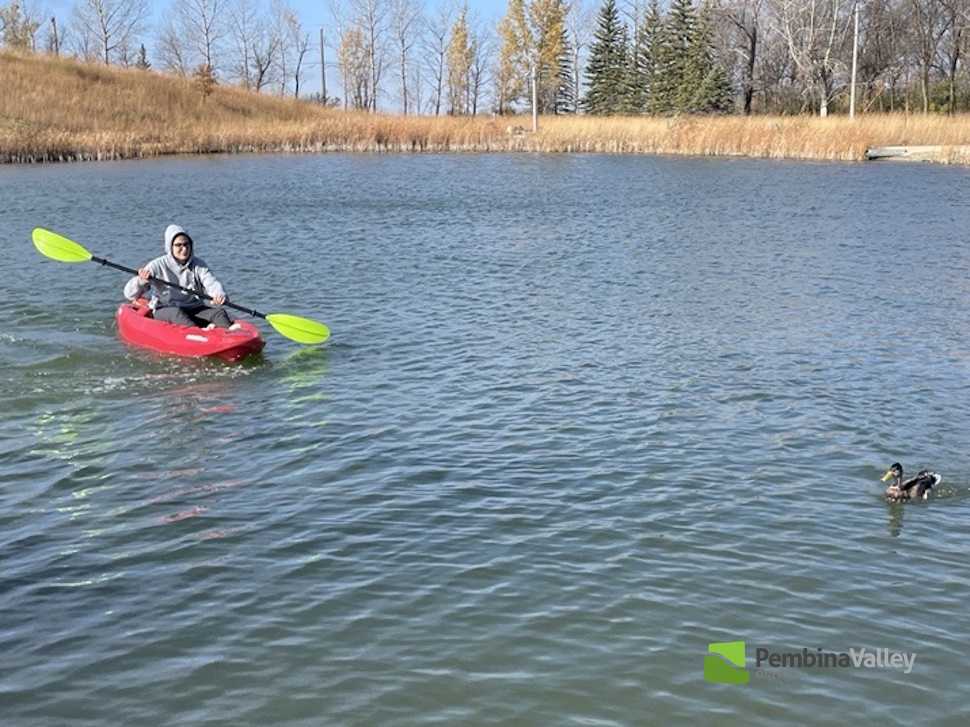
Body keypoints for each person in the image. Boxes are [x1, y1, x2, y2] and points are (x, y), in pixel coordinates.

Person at [124, 224, 232, 329]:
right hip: (165, 309)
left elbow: (211, 283)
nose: (184, 249)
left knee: (219, 313)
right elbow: (129, 294)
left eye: (186, 244)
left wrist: (219, 295)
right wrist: (141, 280)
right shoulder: (157, 265)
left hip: (194, 307)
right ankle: (199, 336)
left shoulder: (199, 265)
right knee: (177, 313)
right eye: (179, 245)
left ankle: (229, 336)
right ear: (170, 246)